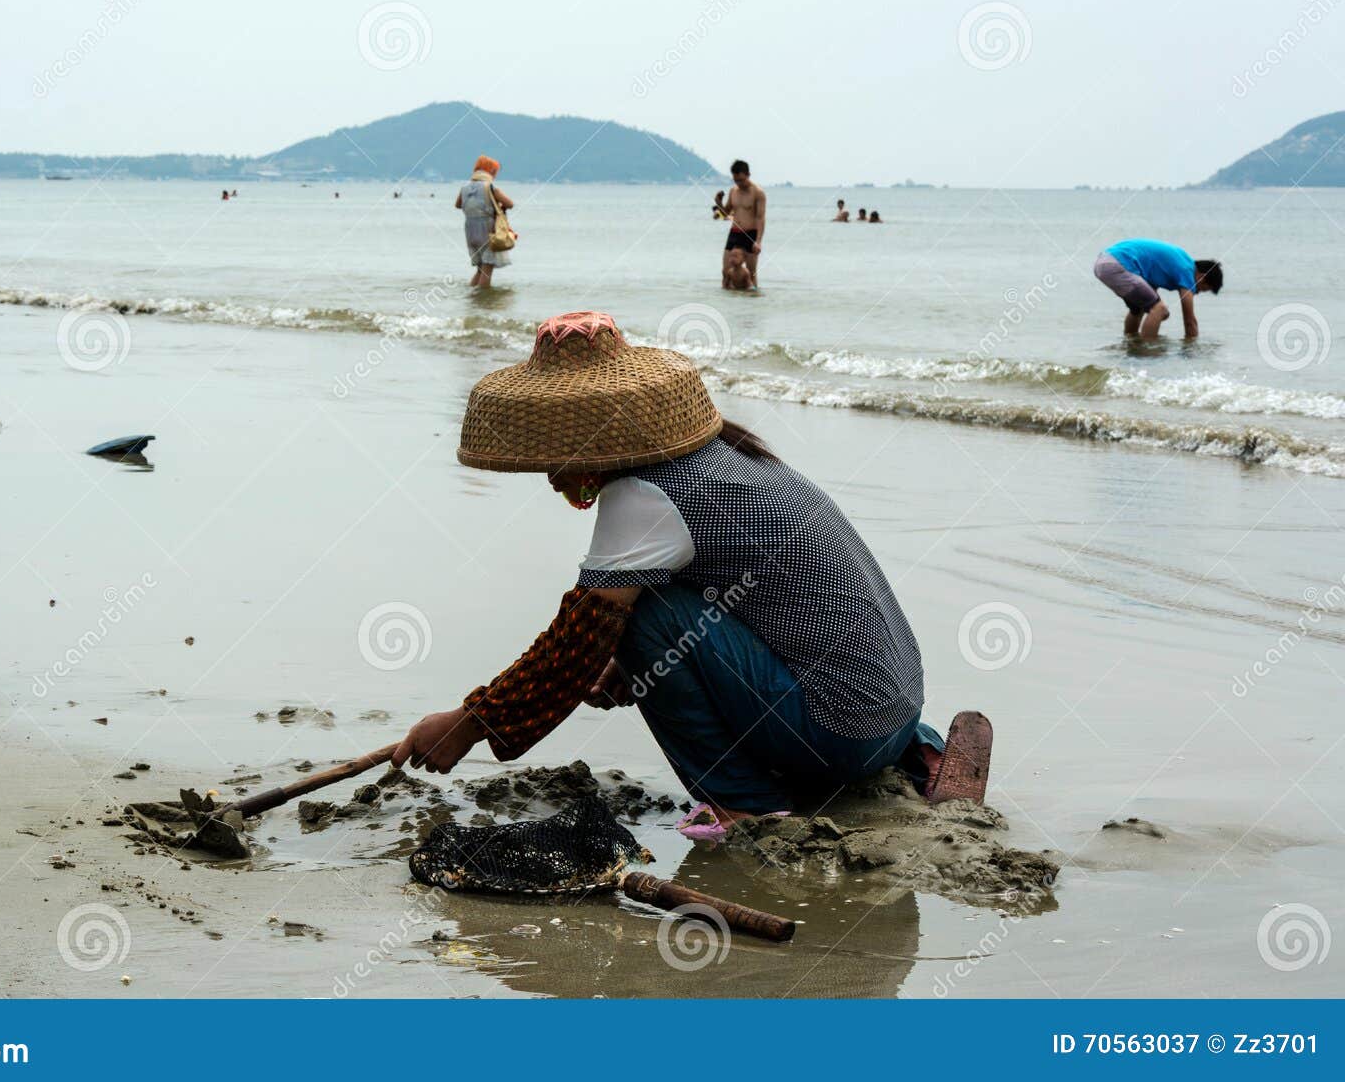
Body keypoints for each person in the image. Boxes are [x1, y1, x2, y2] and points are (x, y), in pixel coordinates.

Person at [393, 311, 991, 836]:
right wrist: (627, 667)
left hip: (840, 734)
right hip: (898, 713)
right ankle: (919, 757)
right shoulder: (733, 460)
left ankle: (743, 803)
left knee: (634, 618)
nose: (550, 471)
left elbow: (573, 644)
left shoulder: (644, 496)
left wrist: (469, 723)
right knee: (637, 617)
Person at [1093, 238, 1222, 339]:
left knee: (1138, 309)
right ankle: (1147, 354)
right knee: (1160, 310)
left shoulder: (1180, 262)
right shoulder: (1187, 271)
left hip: (1104, 261)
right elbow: (1190, 321)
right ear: (1202, 277)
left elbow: (1149, 291)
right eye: (1202, 289)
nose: (1196, 293)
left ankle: (1131, 345)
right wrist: (1192, 351)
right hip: (1118, 264)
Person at [455, 155, 514, 288]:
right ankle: (482, 299)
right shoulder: (491, 187)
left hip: (470, 231)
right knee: (487, 268)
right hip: (487, 231)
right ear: (491, 171)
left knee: (480, 268)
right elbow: (510, 204)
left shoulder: (465, 188)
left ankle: (472, 297)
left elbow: (458, 205)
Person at [717, 159, 765, 290]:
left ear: (748, 175)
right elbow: (725, 213)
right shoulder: (733, 191)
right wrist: (718, 202)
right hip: (734, 233)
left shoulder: (758, 193)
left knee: (751, 272)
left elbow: (760, 218)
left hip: (750, 234)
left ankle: (753, 302)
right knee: (725, 270)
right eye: (736, 180)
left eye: (741, 180)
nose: (739, 183)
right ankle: (728, 301)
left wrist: (758, 241)